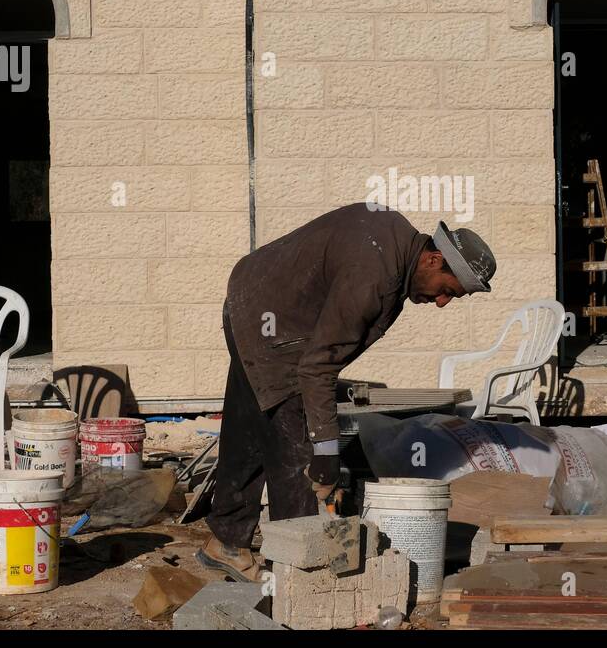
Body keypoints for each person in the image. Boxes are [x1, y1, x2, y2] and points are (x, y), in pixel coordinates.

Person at [197, 202, 496, 580]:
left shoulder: (396, 246)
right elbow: (317, 365)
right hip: (269, 323)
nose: (441, 302)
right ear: (434, 260)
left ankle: (225, 541)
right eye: (447, 291)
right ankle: (299, 574)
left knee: (253, 423)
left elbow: (326, 350)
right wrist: (325, 450)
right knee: (296, 451)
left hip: (253, 298)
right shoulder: (375, 276)